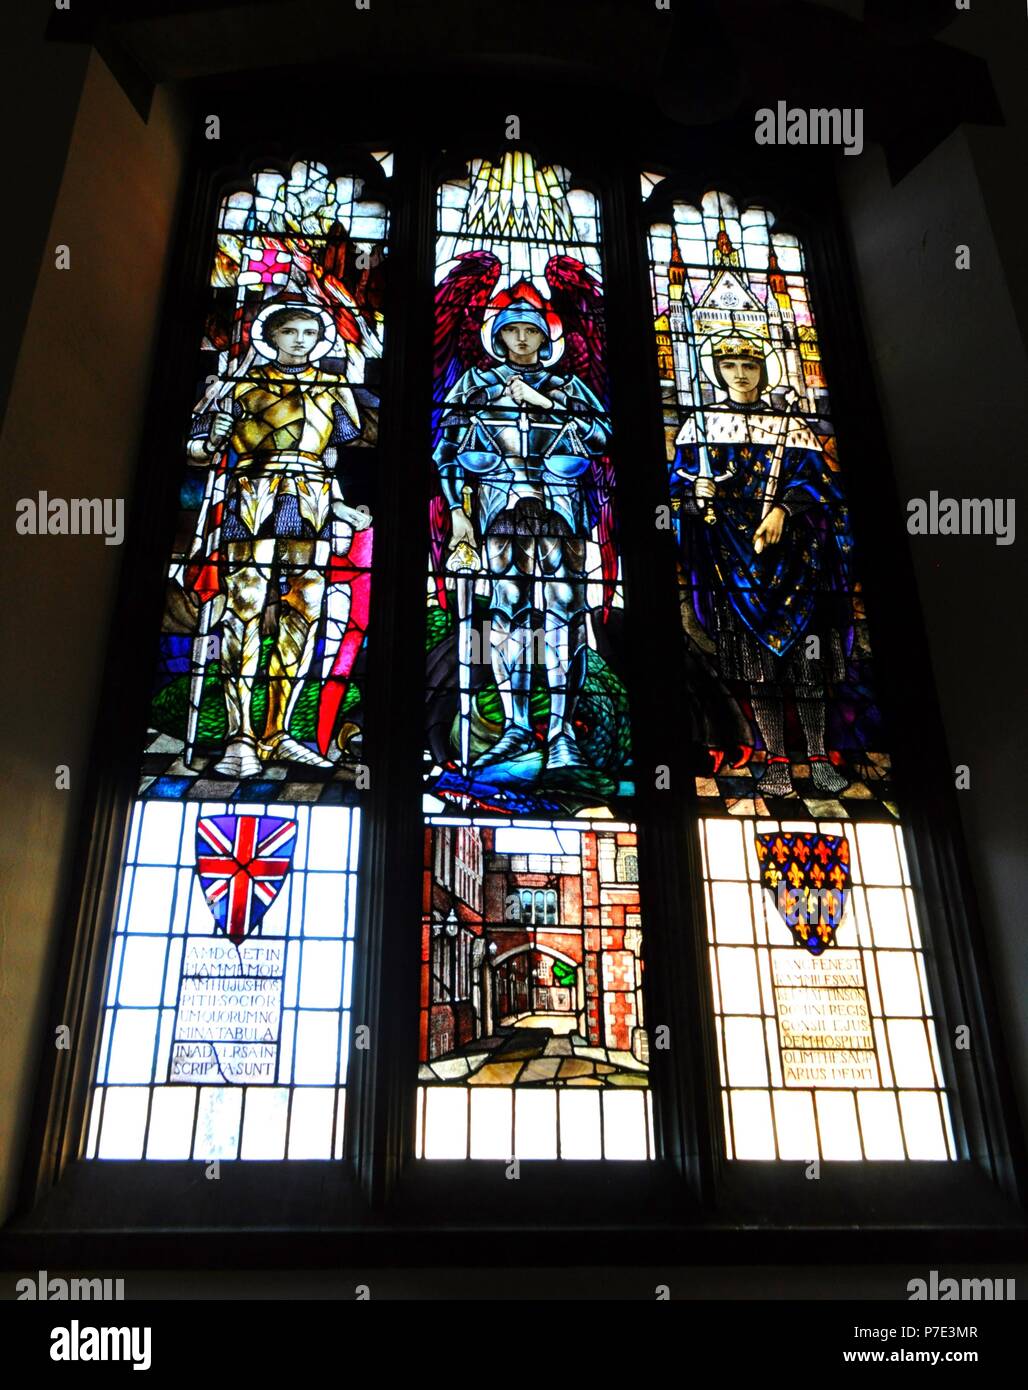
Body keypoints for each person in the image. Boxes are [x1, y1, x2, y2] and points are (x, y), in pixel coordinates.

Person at [187, 299, 371, 778]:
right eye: (290, 332)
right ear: (270, 336)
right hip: (253, 493)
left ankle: (277, 731)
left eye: (310, 334)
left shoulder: (334, 387)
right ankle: (238, 736)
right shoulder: (237, 382)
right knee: (243, 609)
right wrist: (212, 439)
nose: (301, 341)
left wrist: (343, 506)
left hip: (312, 498)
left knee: (304, 613)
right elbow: (195, 445)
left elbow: (342, 445)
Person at [434, 298, 610, 772]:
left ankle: (560, 730)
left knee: (563, 618)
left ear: (544, 340)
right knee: (508, 619)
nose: (522, 340)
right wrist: (458, 514)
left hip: (561, 512)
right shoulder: (474, 385)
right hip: (499, 514)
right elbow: (446, 451)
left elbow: (603, 437)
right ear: (499, 338)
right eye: (512, 332)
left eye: (531, 332)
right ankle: (516, 726)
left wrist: (546, 405)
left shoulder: (567, 386)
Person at [672, 333, 851, 797]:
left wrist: (783, 510)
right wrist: (696, 498)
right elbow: (679, 496)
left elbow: (821, 486)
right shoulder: (700, 428)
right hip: (734, 565)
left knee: (807, 669)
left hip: (797, 565)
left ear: (762, 371)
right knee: (758, 671)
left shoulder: (790, 426)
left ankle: (815, 756)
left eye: (749, 366)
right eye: (729, 366)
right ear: (718, 372)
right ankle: (775, 762)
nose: (740, 375)